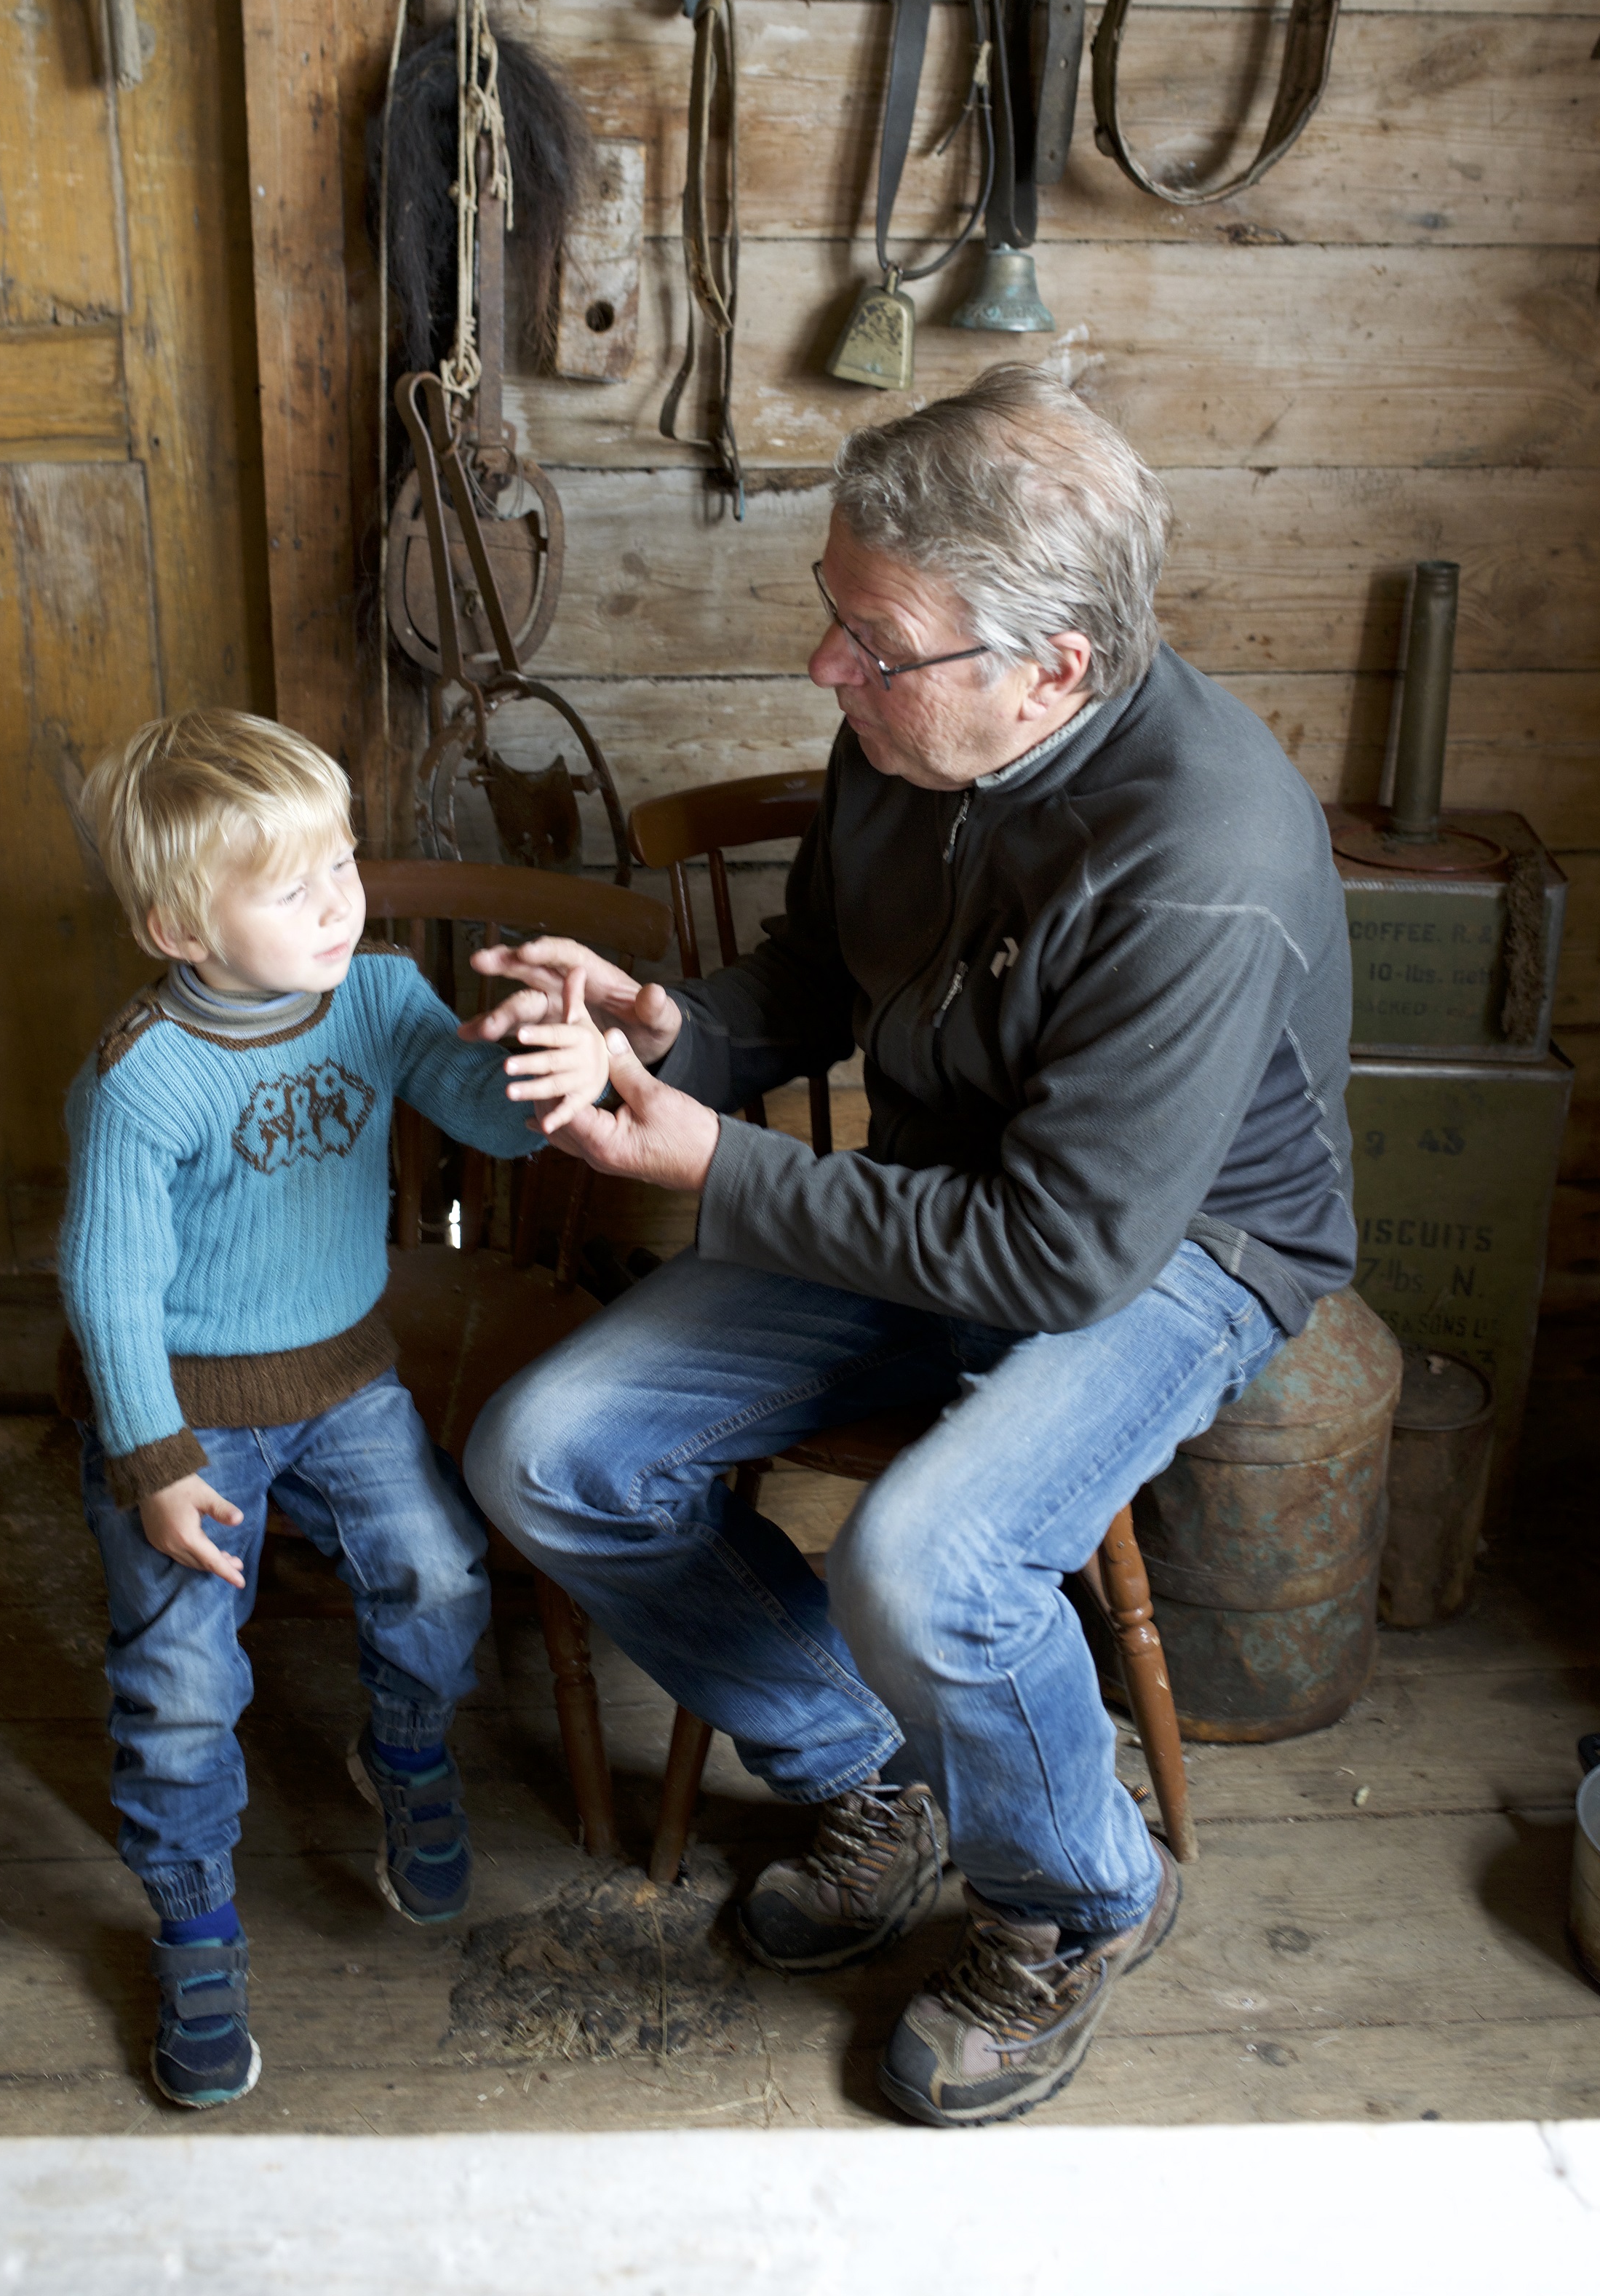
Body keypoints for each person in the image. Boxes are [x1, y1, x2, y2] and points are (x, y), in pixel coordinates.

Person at [459, 365, 1356, 2127]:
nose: (827, 671)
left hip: (1172, 1249)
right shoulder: (909, 729)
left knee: (926, 1565)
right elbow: (815, 975)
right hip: (947, 1193)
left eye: (872, 644)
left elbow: (1060, 1254)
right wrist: (668, 1031)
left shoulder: (1200, 853)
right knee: (547, 1455)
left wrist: (710, 1160)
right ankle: (876, 1767)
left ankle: (1081, 1893)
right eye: (833, 621)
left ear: (1053, 669)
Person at [59, 708, 608, 2110]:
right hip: (183, 1411)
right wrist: (154, 1457)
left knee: (435, 1566)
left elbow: (476, 1114)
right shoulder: (141, 1082)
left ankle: (405, 1748)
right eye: (290, 883)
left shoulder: (371, 994)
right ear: (179, 926)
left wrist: (544, 1066)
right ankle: (193, 1923)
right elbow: (109, 1290)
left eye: (345, 861)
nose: (340, 900)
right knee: (181, 1685)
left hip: (346, 1374)